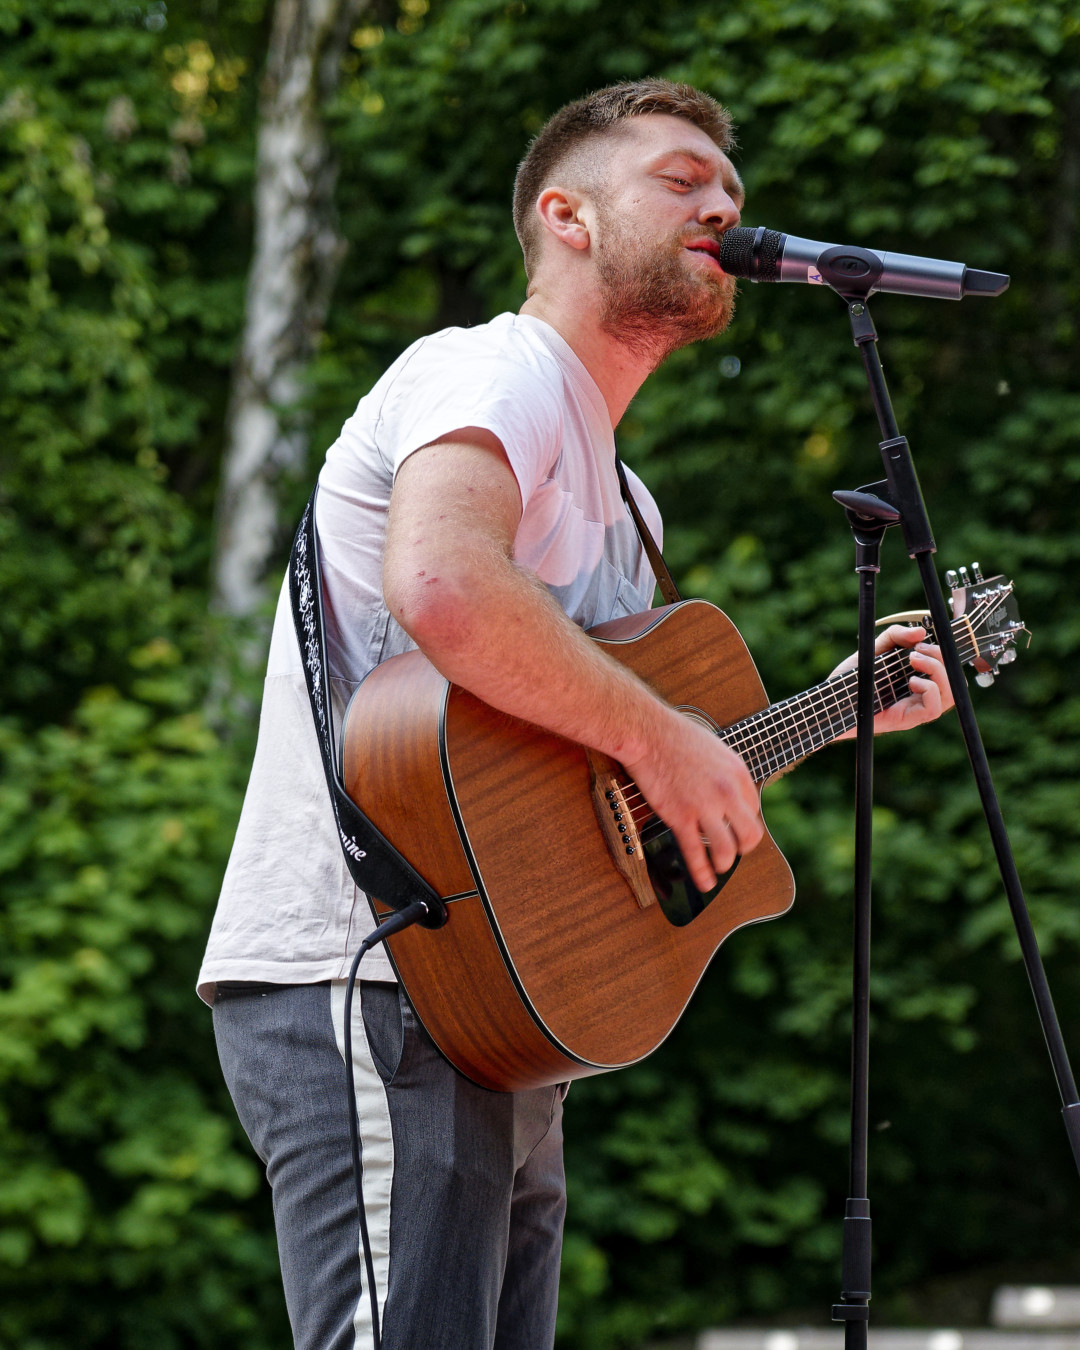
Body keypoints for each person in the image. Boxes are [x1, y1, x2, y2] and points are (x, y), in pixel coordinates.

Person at [198, 79, 952, 1350]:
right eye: (679, 178)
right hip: (376, 967)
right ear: (569, 214)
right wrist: (667, 740)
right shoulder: (488, 369)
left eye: (733, 190)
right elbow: (444, 584)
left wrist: (828, 711)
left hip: (500, 1006)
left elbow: (571, 758)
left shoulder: (630, 499)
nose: (722, 203)